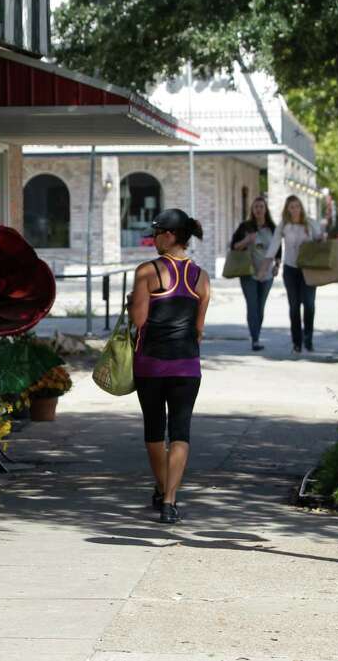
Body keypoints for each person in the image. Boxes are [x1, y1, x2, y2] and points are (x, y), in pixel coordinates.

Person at [130, 208, 210, 524]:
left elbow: (138, 320)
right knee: (180, 431)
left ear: (170, 235)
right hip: (187, 366)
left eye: (157, 232)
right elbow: (199, 328)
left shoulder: (147, 272)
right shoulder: (201, 277)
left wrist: (132, 301)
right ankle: (170, 500)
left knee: (153, 429)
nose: (153, 238)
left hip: (150, 363)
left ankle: (163, 488)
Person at [264, 195, 324, 353]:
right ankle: (297, 342)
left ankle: (308, 339)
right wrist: (266, 265)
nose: (295, 209)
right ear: (287, 209)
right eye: (291, 207)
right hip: (291, 269)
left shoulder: (310, 223)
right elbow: (274, 245)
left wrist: (317, 239)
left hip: (309, 269)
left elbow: (320, 240)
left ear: (301, 207)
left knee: (309, 305)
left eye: (297, 206)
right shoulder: (284, 225)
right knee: (294, 306)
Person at [229, 196, 279, 351]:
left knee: (260, 307)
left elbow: (278, 249)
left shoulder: (272, 227)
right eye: (256, 206)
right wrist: (246, 241)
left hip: (267, 273)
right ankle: (255, 340)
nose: (258, 209)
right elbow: (233, 246)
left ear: (265, 209)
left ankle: (256, 334)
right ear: (252, 209)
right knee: (252, 306)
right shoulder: (245, 227)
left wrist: (278, 264)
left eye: (261, 206)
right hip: (247, 272)